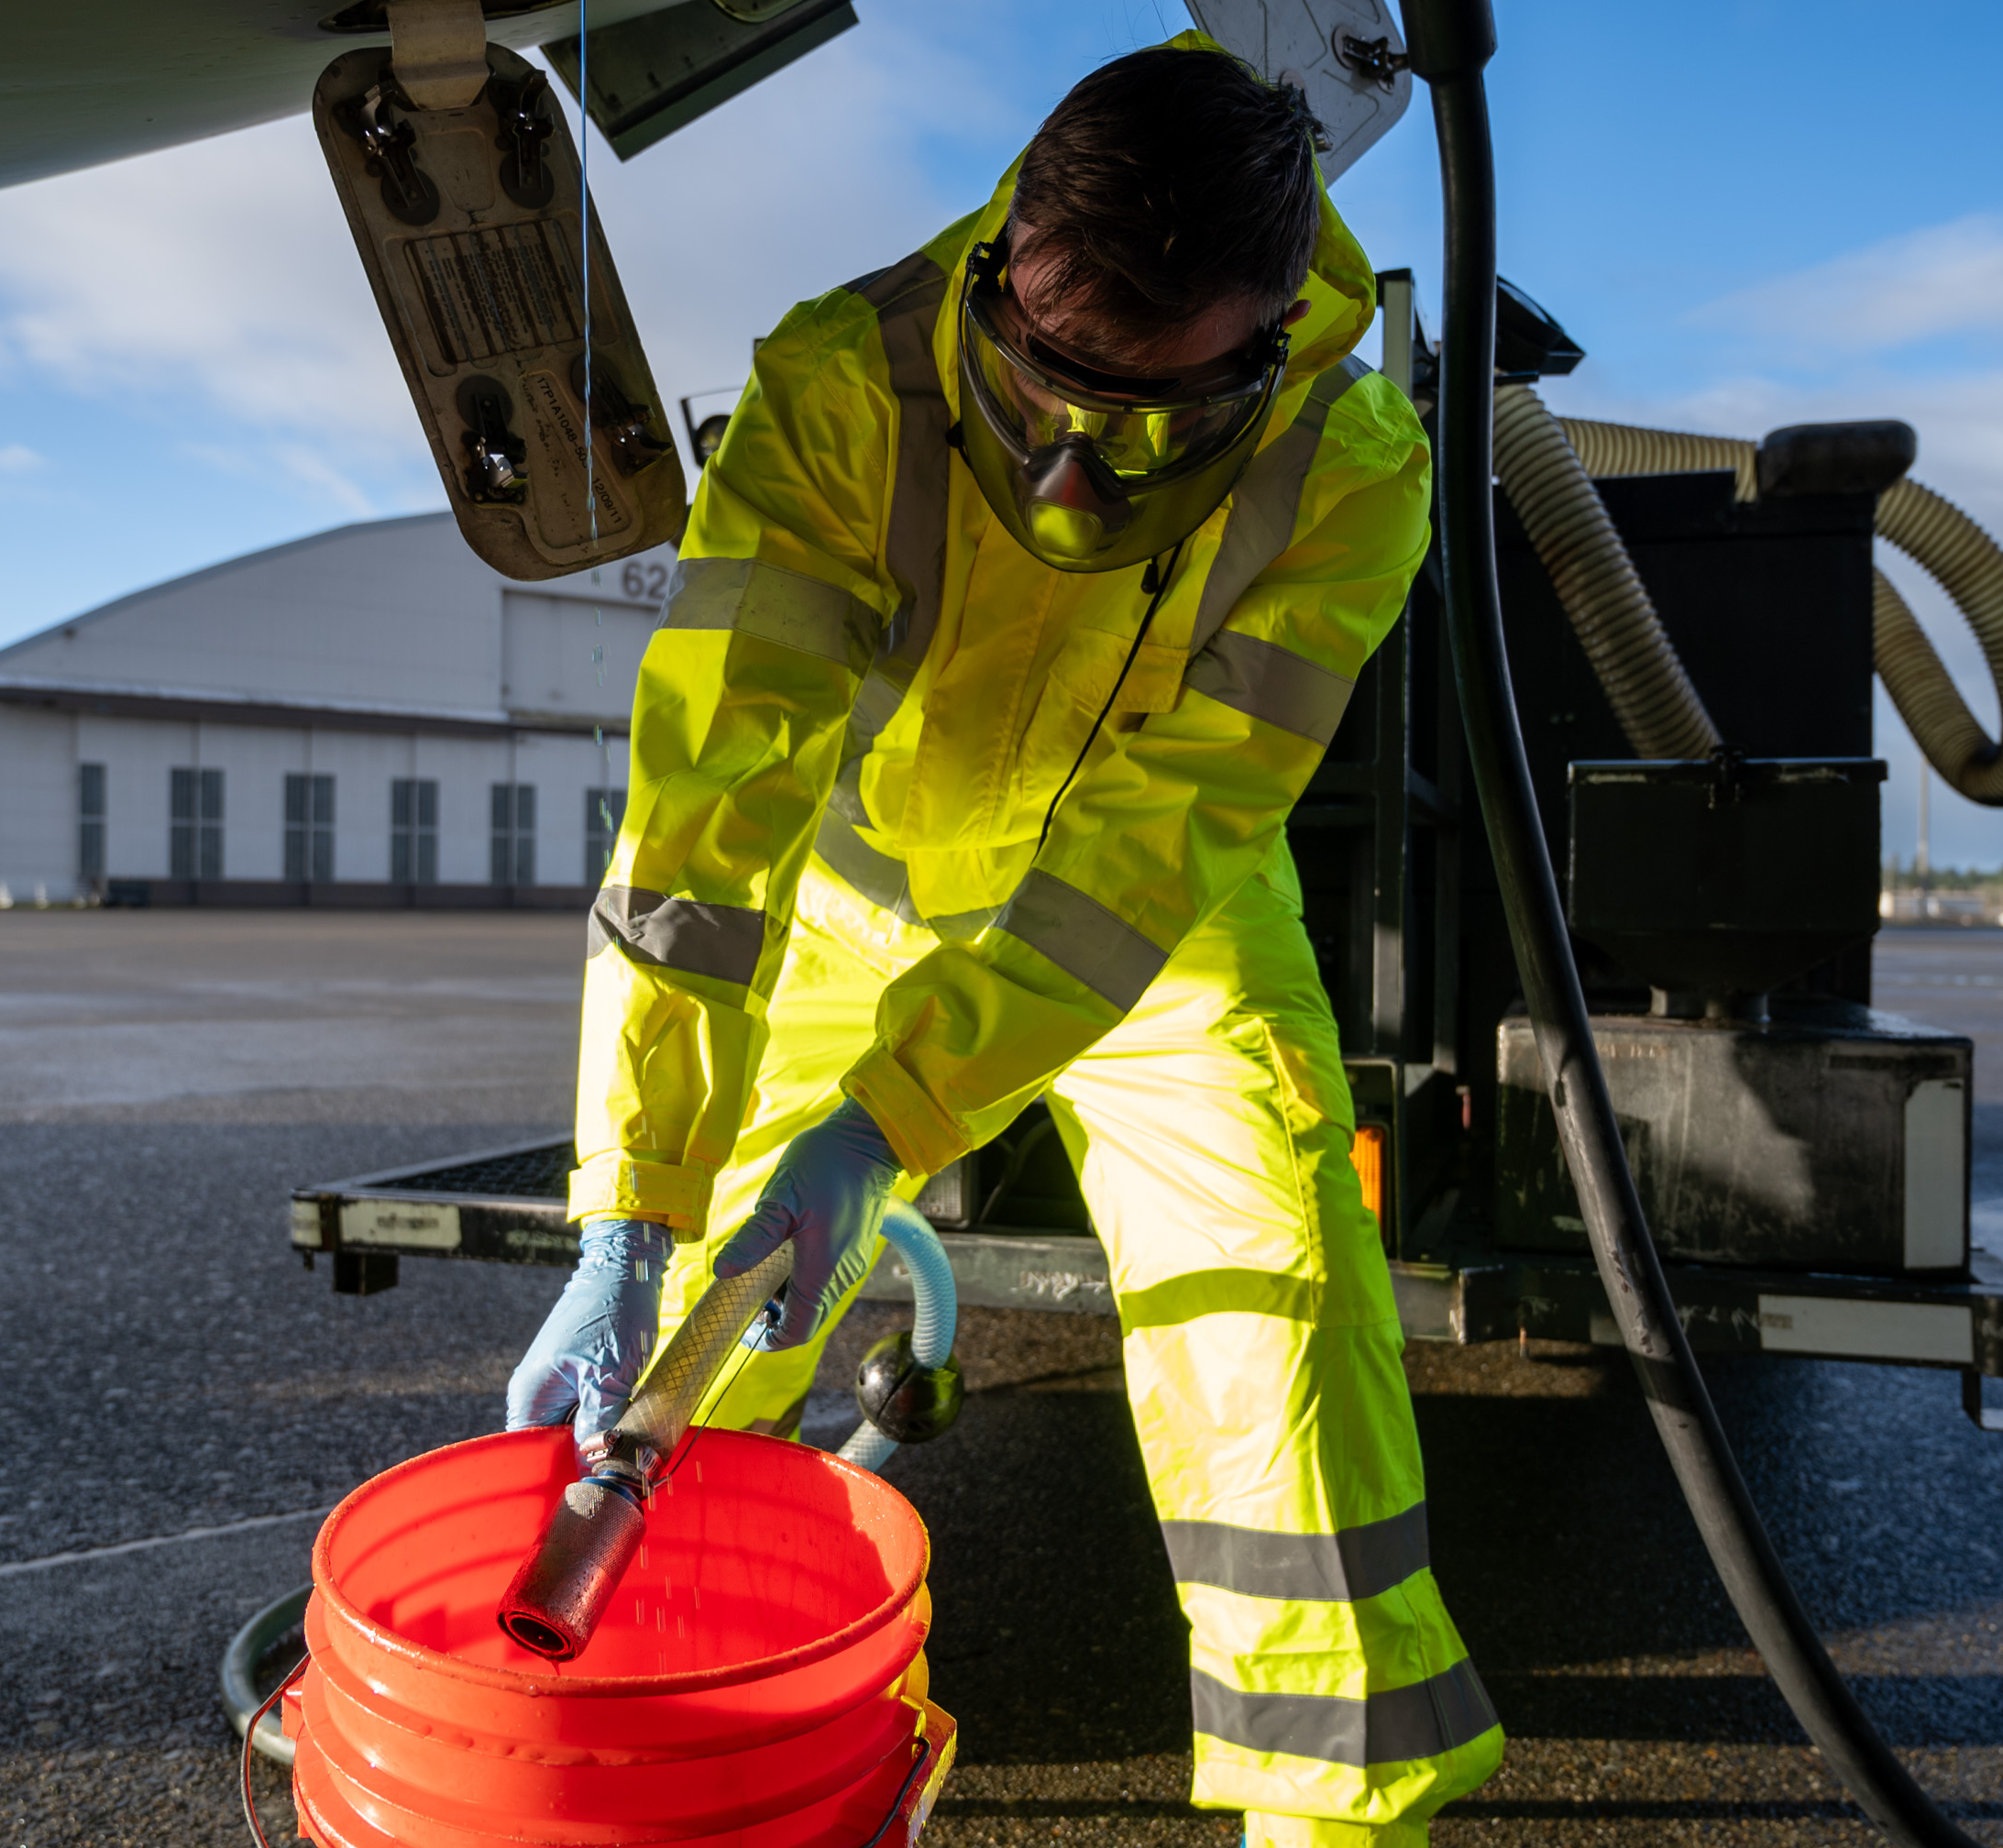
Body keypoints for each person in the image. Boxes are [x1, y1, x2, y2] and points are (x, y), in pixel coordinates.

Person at [508, 35, 1502, 1845]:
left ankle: (1335, 1812)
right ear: (1004, 250)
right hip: (860, 896)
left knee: (1272, 1321)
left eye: (1134, 423)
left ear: (1261, 349)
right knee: (695, 1337)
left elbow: (1144, 852)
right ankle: (636, 1729)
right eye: (1032, 378)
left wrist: (886, 1130)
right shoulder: (841, 383)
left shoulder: (1349, 472)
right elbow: (706, 829)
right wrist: (629, 1212)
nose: (1057, 465)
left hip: (1162, 936)